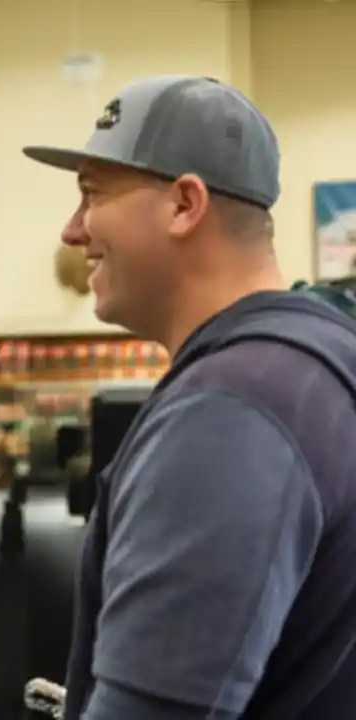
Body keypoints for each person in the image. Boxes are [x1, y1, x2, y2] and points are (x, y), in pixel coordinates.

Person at [23, 75, 356, 719]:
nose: (72, 230)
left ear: (184, 205)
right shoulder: (319, 360)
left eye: (92, 194)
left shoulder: (228, 415)